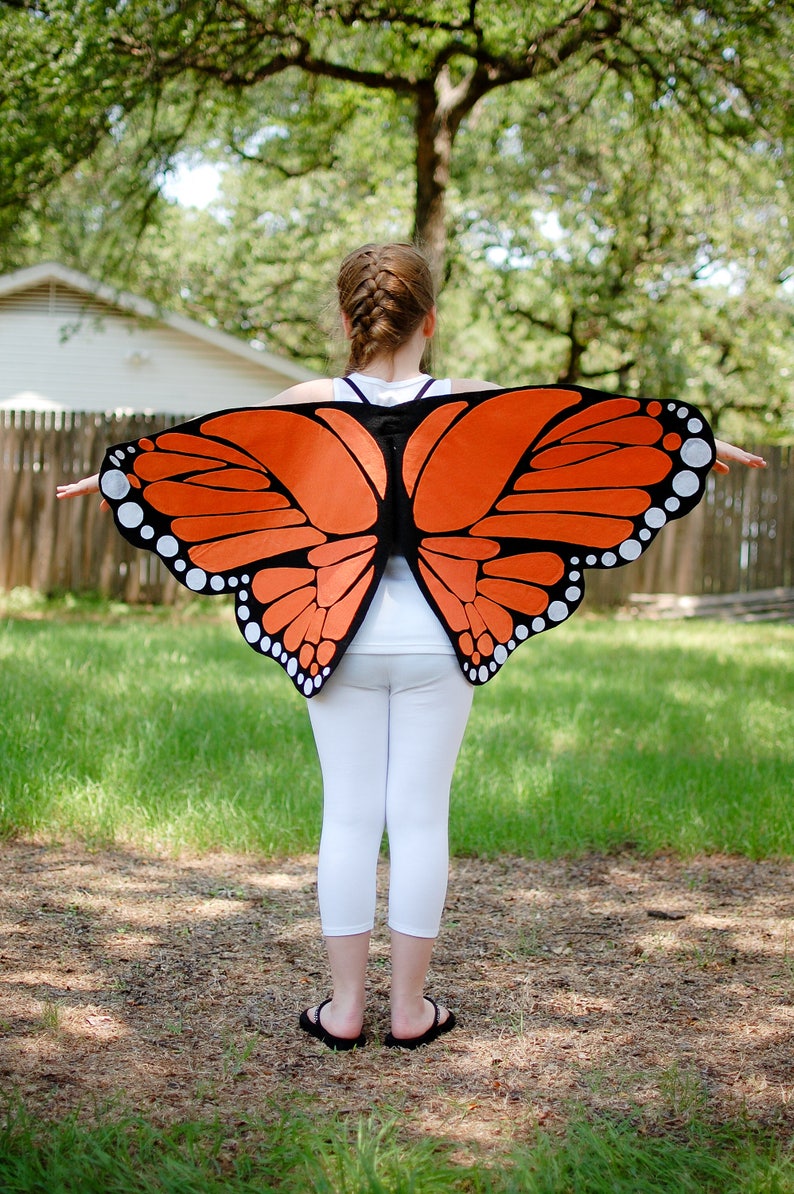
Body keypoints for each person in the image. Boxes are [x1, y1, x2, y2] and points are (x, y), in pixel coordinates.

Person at [57, 242, 767, 1050]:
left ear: (350, 321)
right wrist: (696, 449)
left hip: (333, 631)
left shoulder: (307, 402)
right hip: (442, 630)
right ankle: (409, 1012)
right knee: (422, 816)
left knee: (349, 816)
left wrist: (115, 480)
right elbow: (594, 427)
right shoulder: (468, 399)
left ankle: (345, 1010)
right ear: (430, 319)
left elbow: (193, 456)